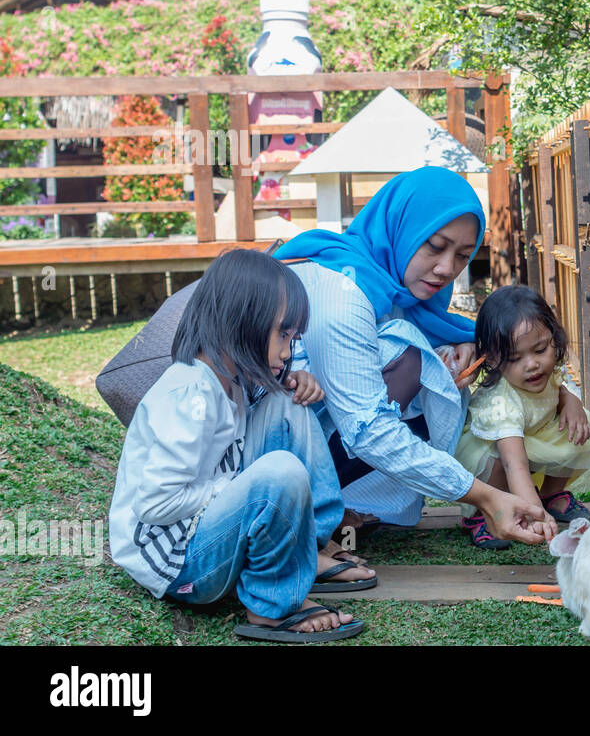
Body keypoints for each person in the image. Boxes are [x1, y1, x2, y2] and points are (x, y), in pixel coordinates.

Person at [274, 166, 553, 546]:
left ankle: (334, 506)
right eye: (435, 246)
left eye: (462, 256)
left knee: (425, 368)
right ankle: (302, 513)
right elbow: (368, 428)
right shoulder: (343, 293)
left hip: (301, 435)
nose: (445, 269)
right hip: (256, 454)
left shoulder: (396, 289)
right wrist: (486, 497)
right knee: (410, 361)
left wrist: (449, 354)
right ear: (400, 227)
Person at [107, 249, 374, 643]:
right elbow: (155, 504)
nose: (287, 351)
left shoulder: (229, 379)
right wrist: (237, 486)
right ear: (240, 322)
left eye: (292, 338)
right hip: (181, 563)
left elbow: (270, 413)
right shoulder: (190, 396)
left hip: (205, 531)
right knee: (278, 471)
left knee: (288, 403)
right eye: (282, 335)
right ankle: (270, 608)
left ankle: (309, 551)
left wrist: (294, 380)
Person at [453, 285, 590, 549]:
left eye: (539, 350)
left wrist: (571, 402)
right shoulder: (502, 402)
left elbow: (557, 389)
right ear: (493, 359)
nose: (532, 364)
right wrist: (537, 516)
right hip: (489, 458)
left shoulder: (543, 373)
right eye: (515, 358)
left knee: (577, 423)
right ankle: (487, 512)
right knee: (499, 460)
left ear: (554, 339)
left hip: (525, 442)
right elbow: (516, 465)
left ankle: (550, 493)